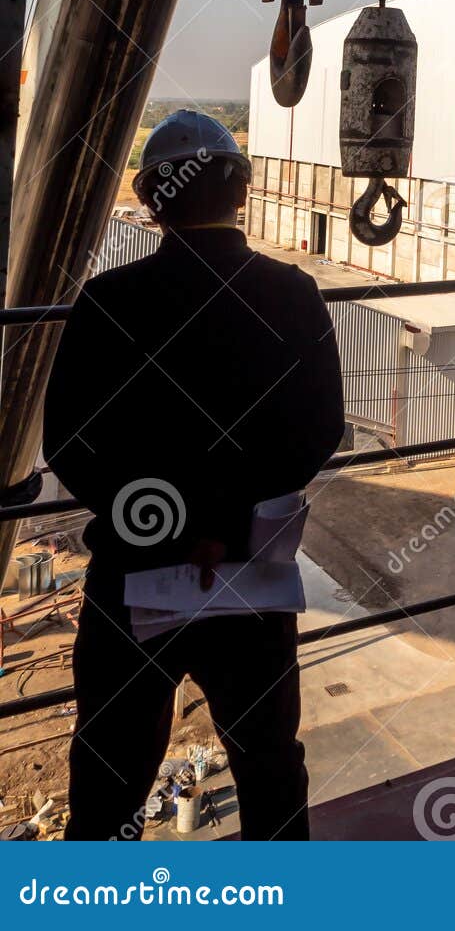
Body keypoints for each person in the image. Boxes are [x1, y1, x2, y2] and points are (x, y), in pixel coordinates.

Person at [43, 110, 344, 840]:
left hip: (136, 574)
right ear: (241, 192)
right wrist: (221, 524)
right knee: (270, 764)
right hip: (251, 575)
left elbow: (69, 444)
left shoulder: (109, 302)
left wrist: (171, 522)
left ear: (151, 199)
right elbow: (317, 430)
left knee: (110, 776)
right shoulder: (292, 295)